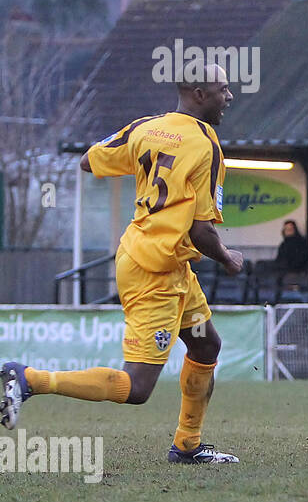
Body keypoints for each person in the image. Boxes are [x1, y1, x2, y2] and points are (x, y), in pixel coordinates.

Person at [1, 64, 243, 464]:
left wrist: (149, 170)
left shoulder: (145, 128)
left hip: (156, 258)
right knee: (137, 387)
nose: (229, 96)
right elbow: (202, 231)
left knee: (205, 344)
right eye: (222, 89)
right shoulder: (206, 145)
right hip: (157, 271)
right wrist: (228, 258)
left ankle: (187, 445)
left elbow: (88, 162)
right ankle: (28, 379)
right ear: (199, 94)